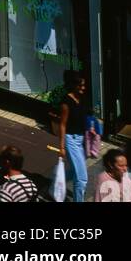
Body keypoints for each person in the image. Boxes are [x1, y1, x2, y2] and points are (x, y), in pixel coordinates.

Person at [56, 70, 88, 203]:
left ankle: (55, 182)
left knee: (76, 172)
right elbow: (62, 124)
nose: (83, 88)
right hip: (71, 140)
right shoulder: (66, 102)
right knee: (82, 178)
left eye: (84, 85)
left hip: (81, 139)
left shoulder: (81, 98)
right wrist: (62, 147)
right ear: (74, 85)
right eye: (80, 86)